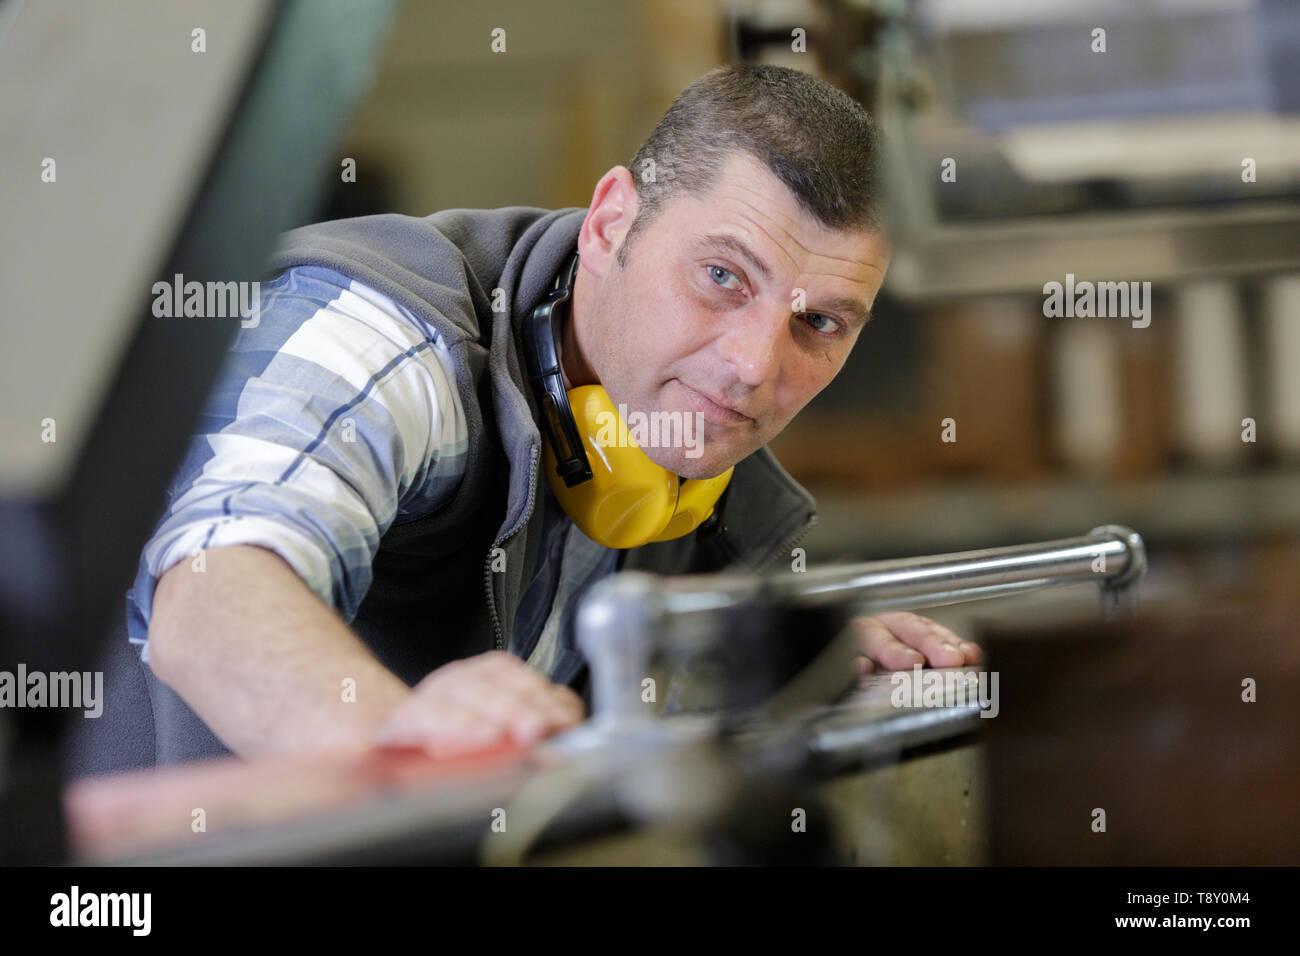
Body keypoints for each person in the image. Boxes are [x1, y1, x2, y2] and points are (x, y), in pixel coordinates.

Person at [129, 63, 982, 764]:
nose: (754, 367)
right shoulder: (390, 337)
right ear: (612, 224)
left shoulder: (680, 450)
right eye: (722, 276)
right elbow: (213, 591)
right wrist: (392, 737)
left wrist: (776, 662)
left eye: (820, 322)